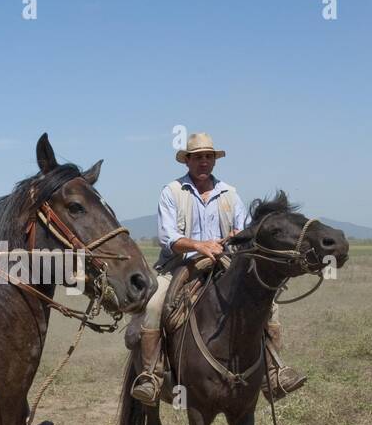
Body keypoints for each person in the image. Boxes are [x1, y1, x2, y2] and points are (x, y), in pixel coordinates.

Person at [130, 132, 304, 406]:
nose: (204, 162)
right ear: (187, 161)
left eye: (208, 157)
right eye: (198, 157)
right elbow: (168, 238)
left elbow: (244, 229)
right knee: (153, 305)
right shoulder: (172, 192)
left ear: (214, 160)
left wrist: (239, 233)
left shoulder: (229, 193)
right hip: (180, 264)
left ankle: (274, 372)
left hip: (225, 263)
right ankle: (151, 375)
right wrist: (199, 246)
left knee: (269, 305)